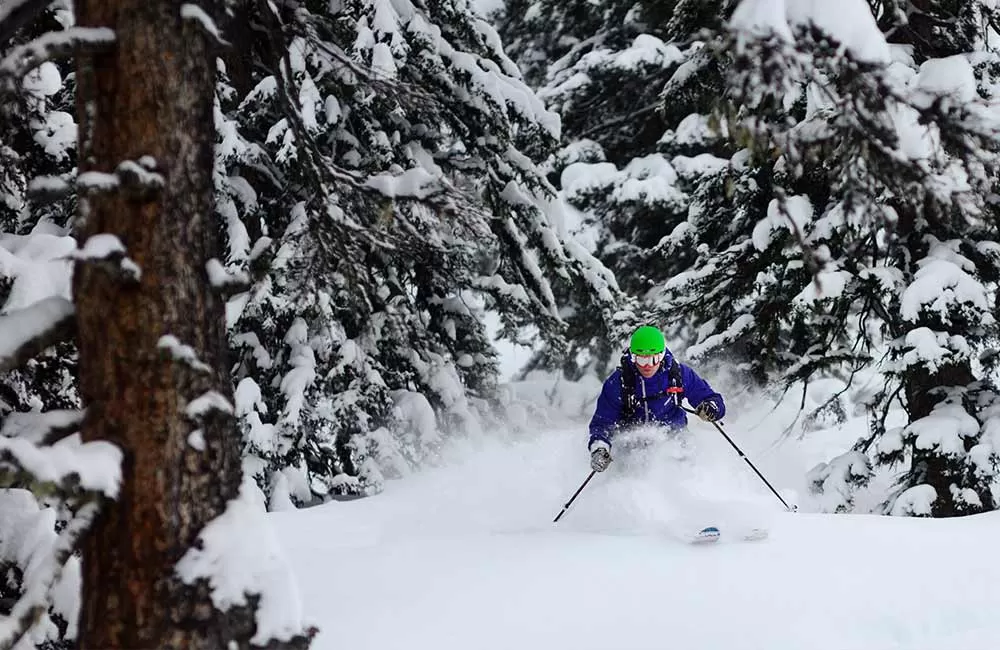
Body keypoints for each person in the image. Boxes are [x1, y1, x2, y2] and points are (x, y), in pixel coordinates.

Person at [588, 325, 725, 473]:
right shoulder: (618, 383)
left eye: (654, 359)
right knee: (632, 478)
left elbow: (710, 398)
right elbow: (602, 423)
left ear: (662, 355)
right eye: (641, 359)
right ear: (632, 357)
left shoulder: (678, 374)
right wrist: (600, 449)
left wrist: (712, 408)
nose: (647, 366)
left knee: (686, 467)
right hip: (632, 446)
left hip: (674, 438)